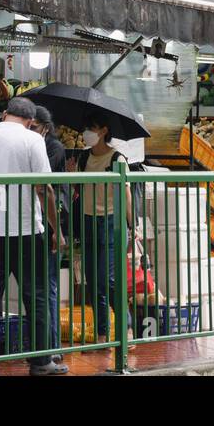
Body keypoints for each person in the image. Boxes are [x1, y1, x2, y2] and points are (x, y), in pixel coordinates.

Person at [0, 96, 65, 376]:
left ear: (5, 113)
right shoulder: (32, 140)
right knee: (37, 296)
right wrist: (56, 229)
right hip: (26, 232)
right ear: (31, 122)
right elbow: (44, 188)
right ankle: (41, 361)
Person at [70, 111, 135, 340]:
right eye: (86, 128)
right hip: (88, 221)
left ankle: (126, 327)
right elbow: (77, 190)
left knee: (108, 279)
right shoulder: (82, 159)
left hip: (111, 223)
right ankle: (101, 335)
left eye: (92, 128)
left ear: (104, 131)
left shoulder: (117, 159)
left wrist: (132, 225)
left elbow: (126, 195)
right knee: (93, 281)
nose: (88, 133)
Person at [32, 105, 65, 364]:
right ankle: (41, 349)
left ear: (44, 127)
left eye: (34, 128)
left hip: (47, 223)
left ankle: (51, 346)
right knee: (41, 288)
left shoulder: (53, 148)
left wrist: (57, 230)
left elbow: (45, 187)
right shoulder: (33, 144)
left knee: (48, 287)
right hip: (33, 223)